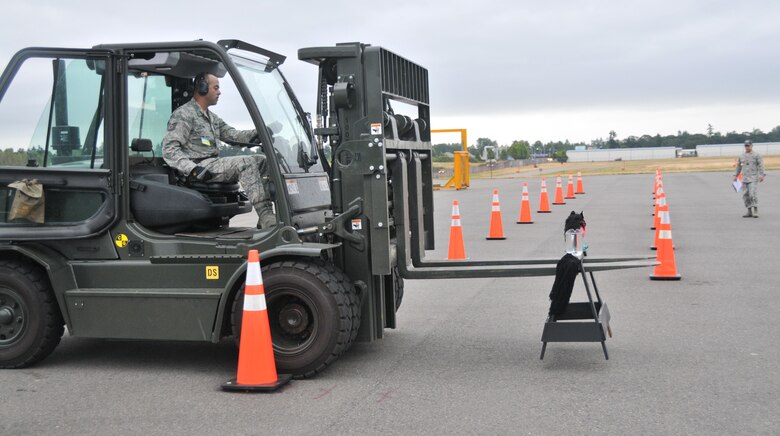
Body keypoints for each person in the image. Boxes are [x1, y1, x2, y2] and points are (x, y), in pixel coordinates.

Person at [163, 72, 276, 228]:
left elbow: (233, 136)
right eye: (215, 87)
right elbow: (170, 149)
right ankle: (266, 217)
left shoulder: (212, 118)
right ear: (202, 88)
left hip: (212, 164)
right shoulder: (184, 115)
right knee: (247, 162)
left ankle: (266, 214)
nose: (219, 92)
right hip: (198, 166)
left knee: (261, 161)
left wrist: (258, 133)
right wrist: (193, 169)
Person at [733, 139, 766, 218]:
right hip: (744, 178)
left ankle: (755, 210)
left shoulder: (756, 155)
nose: (747, 147)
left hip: (753, 178)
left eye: (748, 145)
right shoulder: (742, 156)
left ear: (751, 145)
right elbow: (739, 166)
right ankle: (749, 211)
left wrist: (762, 175)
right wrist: (735, 175)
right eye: (745, 145)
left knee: (752, 194)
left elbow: (760, 165)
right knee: (745, 195)